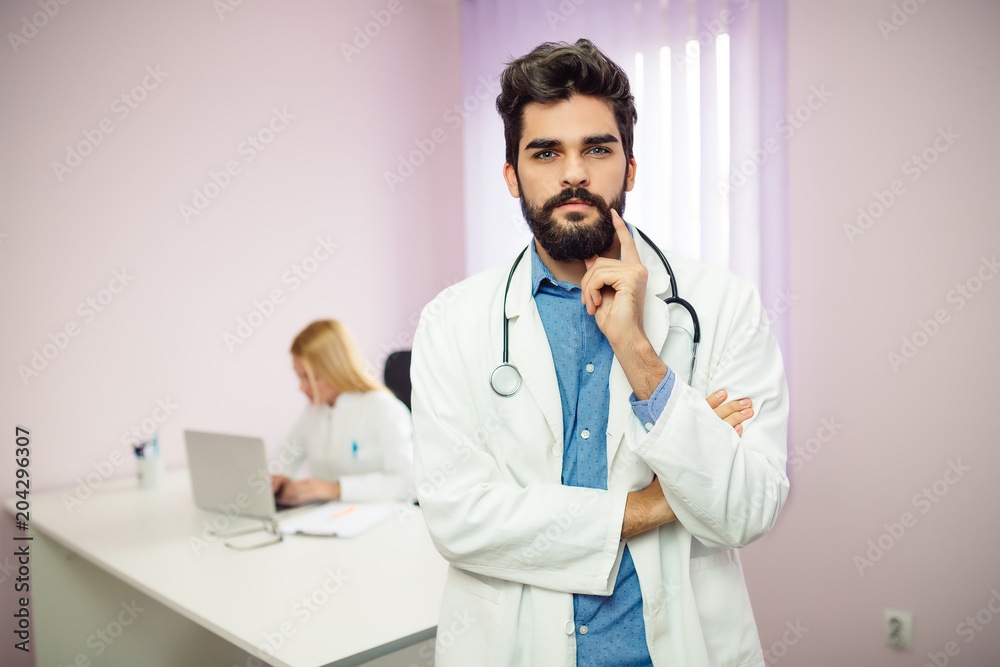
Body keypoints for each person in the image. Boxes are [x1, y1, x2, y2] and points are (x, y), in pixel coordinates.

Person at [410, 39, 789, 666]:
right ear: (512, 176)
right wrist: (664, 501)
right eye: (545, 152)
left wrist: (637, 349)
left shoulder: (723, 306)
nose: (574, 173)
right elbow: (458, 518)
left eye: (597, 148)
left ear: (630, 168)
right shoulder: (452, 322)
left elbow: (745, 510)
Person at [270, 319, 414, 503]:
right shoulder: (315, 411)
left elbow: (408, 484)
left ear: (335, 369)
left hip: (378, 519)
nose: (302, 386)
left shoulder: (382, 408)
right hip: (328, 517)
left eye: (310, 377)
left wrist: (337, 488)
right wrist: (280, 479)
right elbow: (284, 459)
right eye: (299, 376)